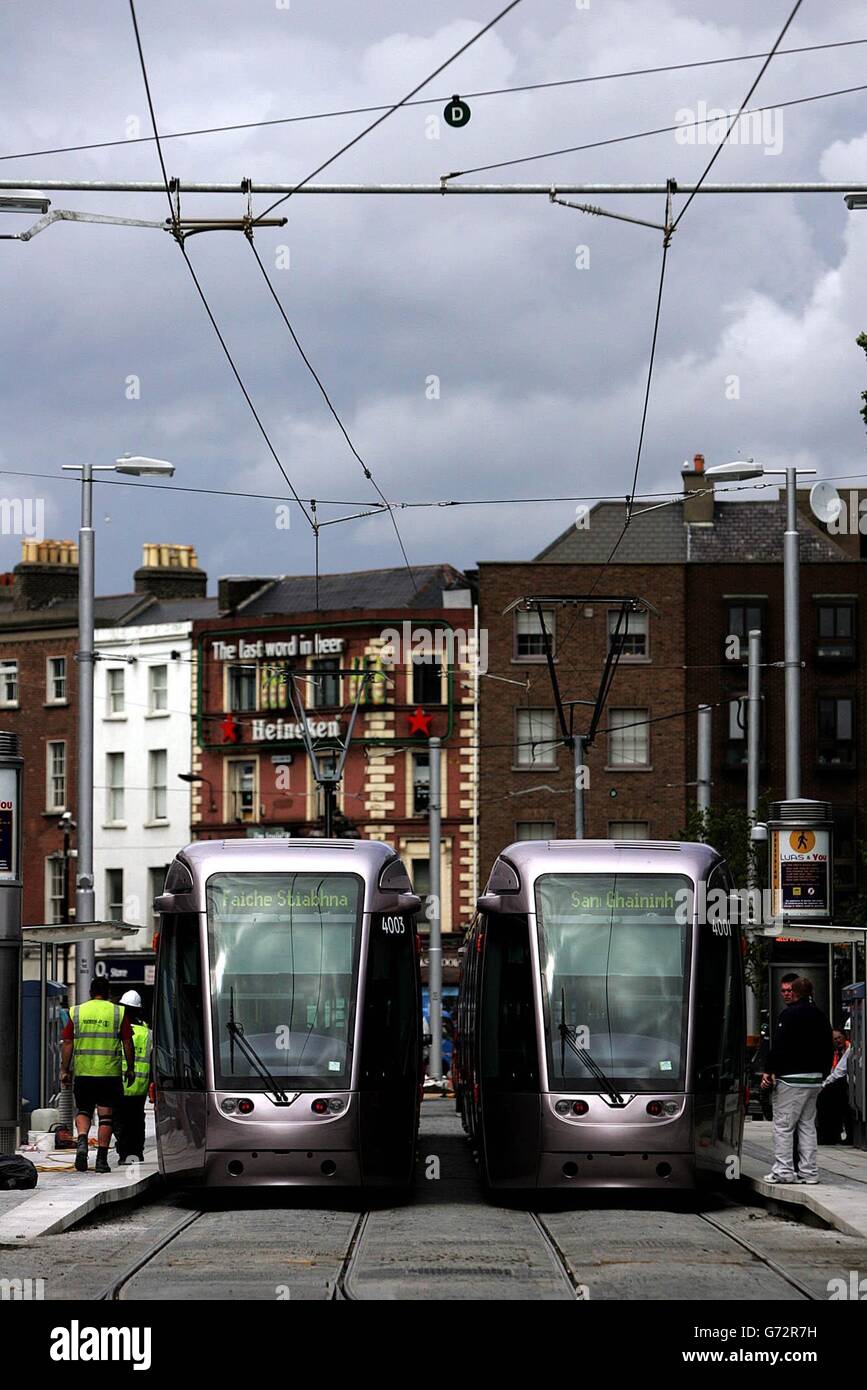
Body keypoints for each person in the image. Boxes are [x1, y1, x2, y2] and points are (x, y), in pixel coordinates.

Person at [761, 976, 833, 1185]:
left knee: (783, 1126)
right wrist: (823, 1073)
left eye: (790, 990)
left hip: (792, 1079)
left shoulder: (789, 1014)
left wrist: (769, 1070)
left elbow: (780, 1046)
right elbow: (827, 1047)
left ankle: (783, 1171)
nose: (787, 994)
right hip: (814, 1079)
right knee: (807, 1125)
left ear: (796, 992)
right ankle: (809, 1172)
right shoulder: (820, 1015)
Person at [60, 978, 135, 1174]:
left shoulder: (77, 1011)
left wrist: (64, 1069)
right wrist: (131, 1068)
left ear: (91, 992)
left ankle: (83, 1139)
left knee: (83, 1110)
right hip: (109, 1074)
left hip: (84, 1073)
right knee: (106, 1117)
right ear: (108, 992)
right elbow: (127, 1042)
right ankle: (101, 1160)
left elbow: (68, 1043)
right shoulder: (118, 1012)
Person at [114, 989, 152, 1165]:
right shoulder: (147, 1032)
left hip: (120, 1082)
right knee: (137, 1120)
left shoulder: (119, 1031)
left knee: (120, 1120)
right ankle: (136, 1153)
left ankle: (124, 1154)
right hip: (140, 1085)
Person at [816, 1028, 851, 1146]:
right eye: (834, 1039)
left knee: (826, 1095)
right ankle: (829, 1134)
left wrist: (824, 1085)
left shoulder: (849, 1050)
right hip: (841, 1084)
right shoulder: (836, 1053)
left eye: (839, 1038)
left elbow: (839, 1072)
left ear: (844, 1036)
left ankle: (829, 1135)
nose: (837, 1041)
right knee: (825, 1098)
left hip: (847, 1084)